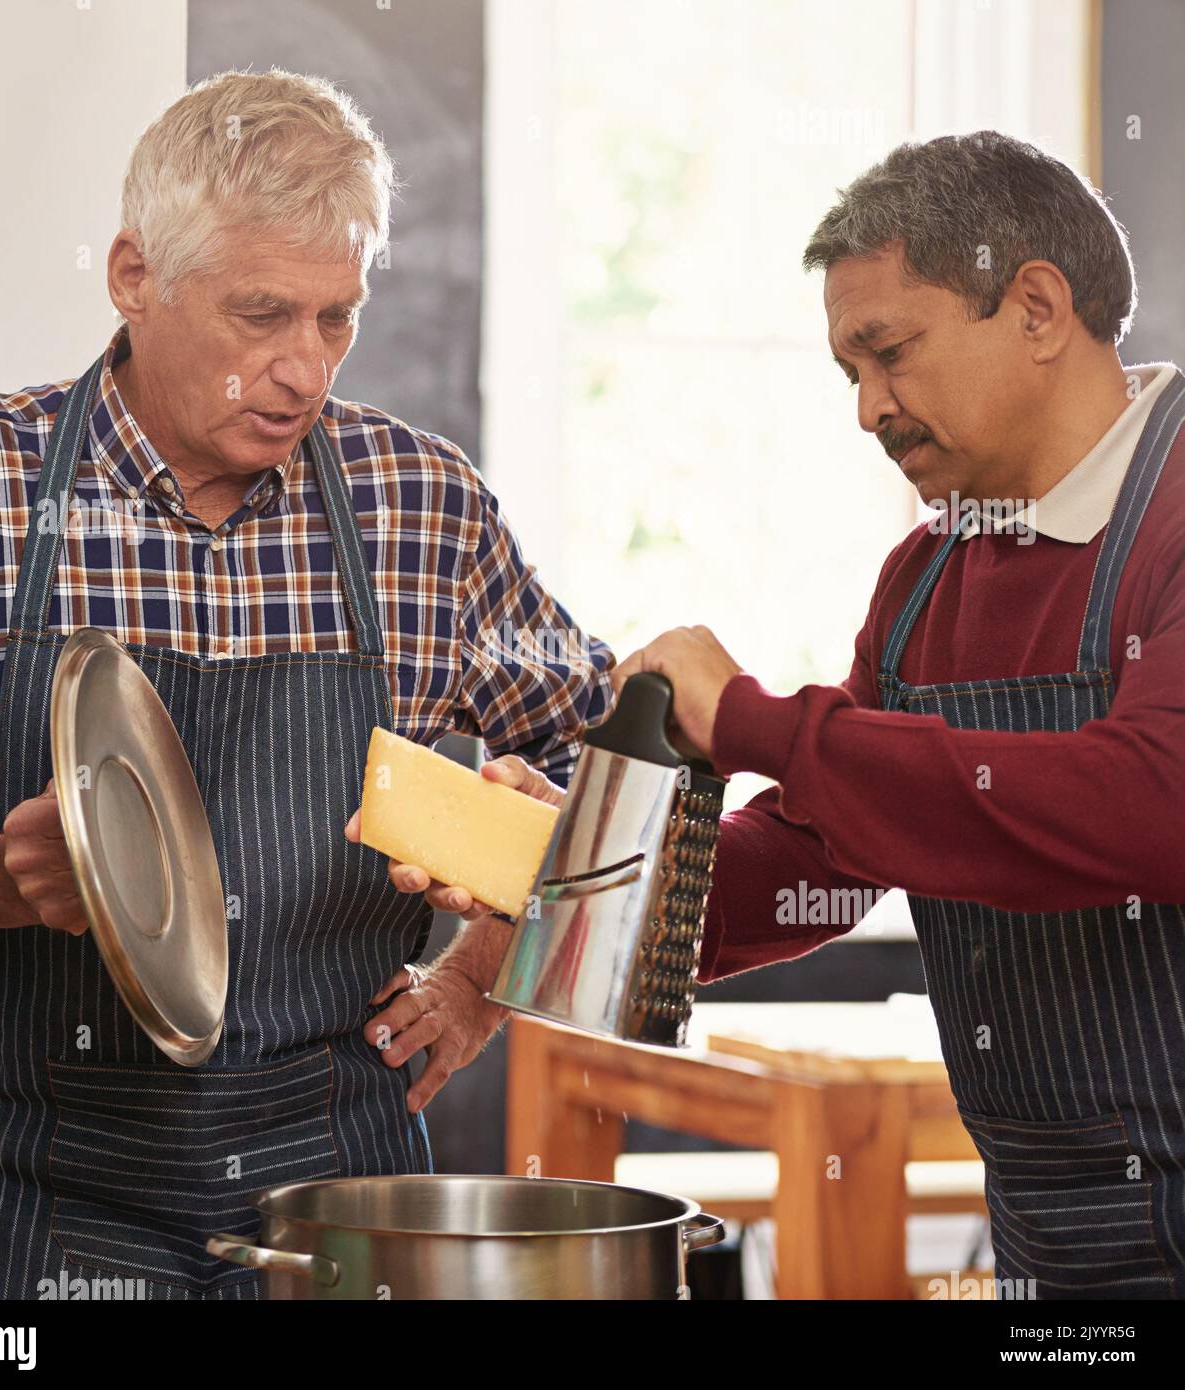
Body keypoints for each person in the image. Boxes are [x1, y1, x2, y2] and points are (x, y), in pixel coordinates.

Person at [371, 132, 1185, 1300]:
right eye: (847, 372)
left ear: (1038, 307)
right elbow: (820, 852)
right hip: (1058, 1241)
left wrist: (754, 721)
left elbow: (1150, 805)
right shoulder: (926, 582)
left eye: (888, 352)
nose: (867, 409)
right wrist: (575, 869)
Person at [0, 69, 612, 1300]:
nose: (303, 372)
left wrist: (492, 965)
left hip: (343, 1196)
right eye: (261, 313)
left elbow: (617, 768)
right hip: (40, 1198)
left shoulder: (419, 504)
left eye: (338, 318)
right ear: (133, 276)